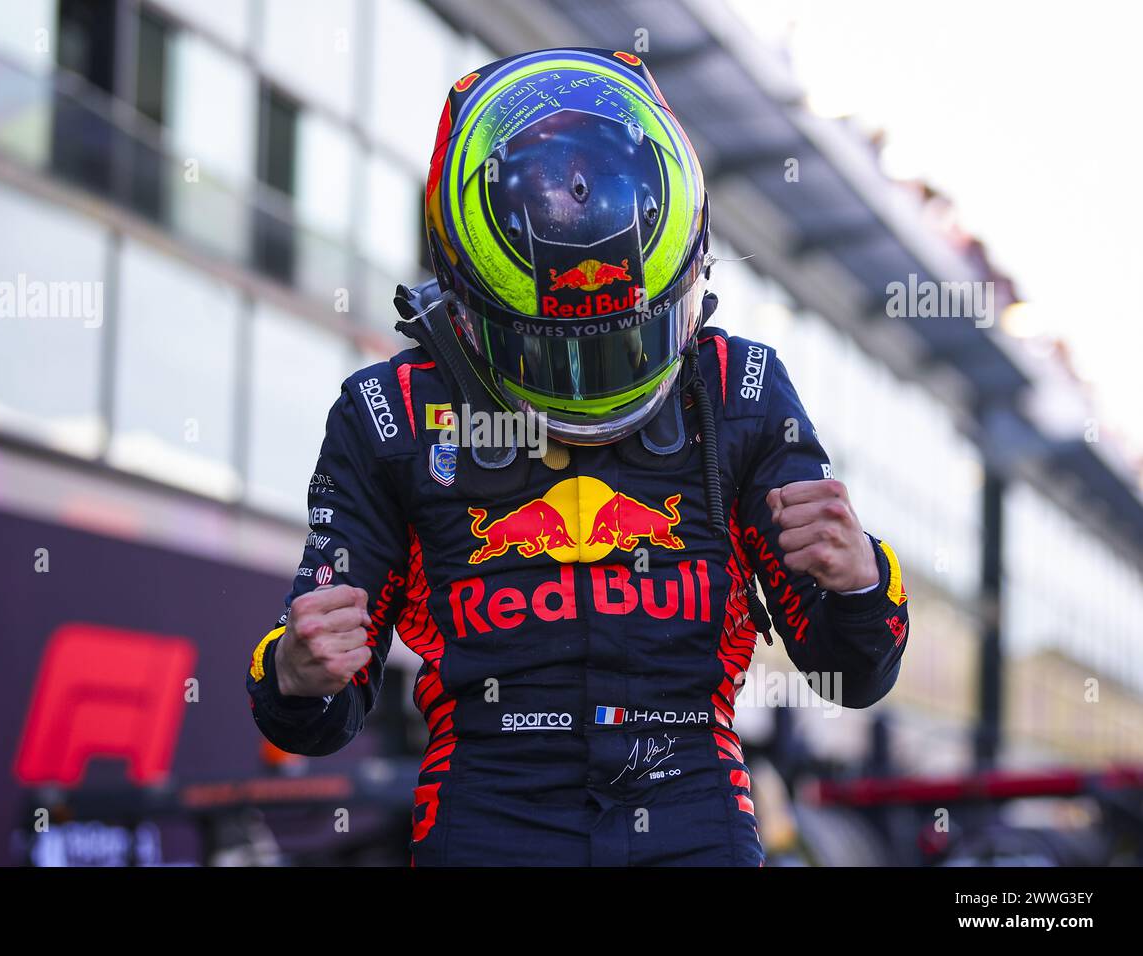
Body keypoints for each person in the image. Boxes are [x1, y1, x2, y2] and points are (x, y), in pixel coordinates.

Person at [246, 47, 909, 866]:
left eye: (623, 345)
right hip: (488, 818)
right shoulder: (389, 414)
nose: (590, 382)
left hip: (690, 809)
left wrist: (860, 582)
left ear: (689, 276)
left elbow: (851, 676)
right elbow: (315, 716)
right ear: (465, 302)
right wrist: (296, 673)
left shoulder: (742, 388)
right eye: (556, 352)